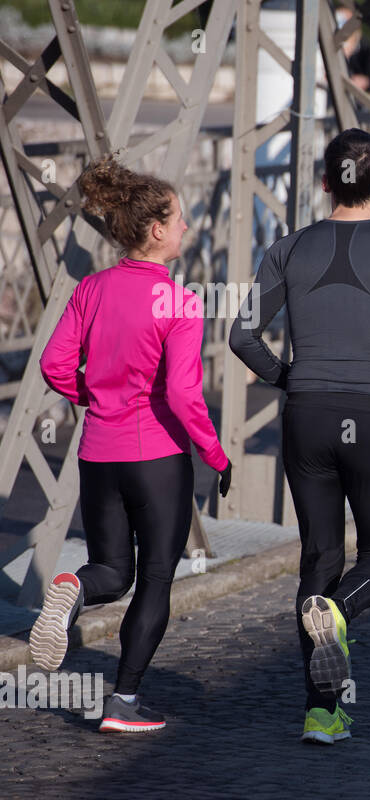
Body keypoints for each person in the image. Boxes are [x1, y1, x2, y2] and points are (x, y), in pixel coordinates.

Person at [228, 127, 370, 745]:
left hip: (307, 415)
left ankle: (321, 715)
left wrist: (286, 377)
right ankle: (340, 611)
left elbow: (242, 337)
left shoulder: (286, 250)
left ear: (325, 184)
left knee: (320, 559)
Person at [34, 153, 232, 733]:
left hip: (99, 453)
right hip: (158, 459)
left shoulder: (91, 289)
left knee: (111, 571)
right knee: (156, 579)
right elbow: (185, 393)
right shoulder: (178, 300)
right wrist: (217, 457)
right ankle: (122, 704)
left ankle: (72, 587)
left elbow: (53, 363)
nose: (187, 228)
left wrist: (96, 394)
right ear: (156, 230)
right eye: (180, 220)